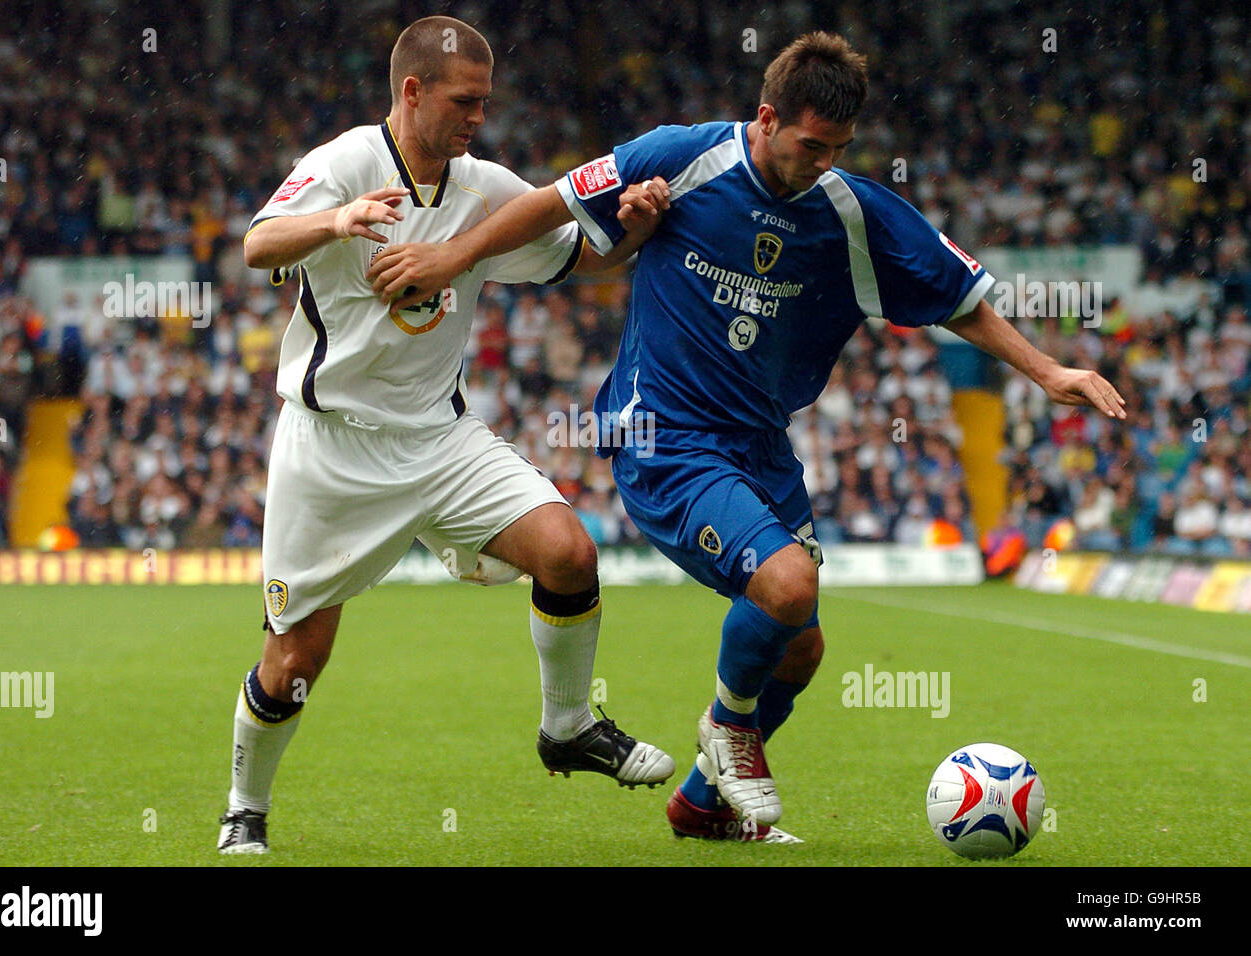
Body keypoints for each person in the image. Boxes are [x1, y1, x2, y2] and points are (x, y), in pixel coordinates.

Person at [368, 30, 1126, 843]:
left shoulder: (853, 211)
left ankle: (699, 804)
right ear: (766, 118)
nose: (822, 162)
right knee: (788, 586)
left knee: (800, 649)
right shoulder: (682, 158)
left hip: (761, 448)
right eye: (810, 144)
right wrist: (451, 257)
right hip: (661, 435)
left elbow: (956, 298)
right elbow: (551, 203)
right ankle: (729, 729)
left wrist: (1048, 372)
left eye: (839, 148)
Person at [218, 16, 673, 855]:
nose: (478, 118)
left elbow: (582, 258)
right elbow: (255, 244)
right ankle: (245, 806)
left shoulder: (486, 186)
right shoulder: (343, 163)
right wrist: (337, 220)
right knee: (295, 664)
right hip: (331, 447)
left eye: (487, 103)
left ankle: (567, 727)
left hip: (438, 439)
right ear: (413, 90)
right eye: (464, 101)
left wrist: (639, 221)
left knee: (569, 551)